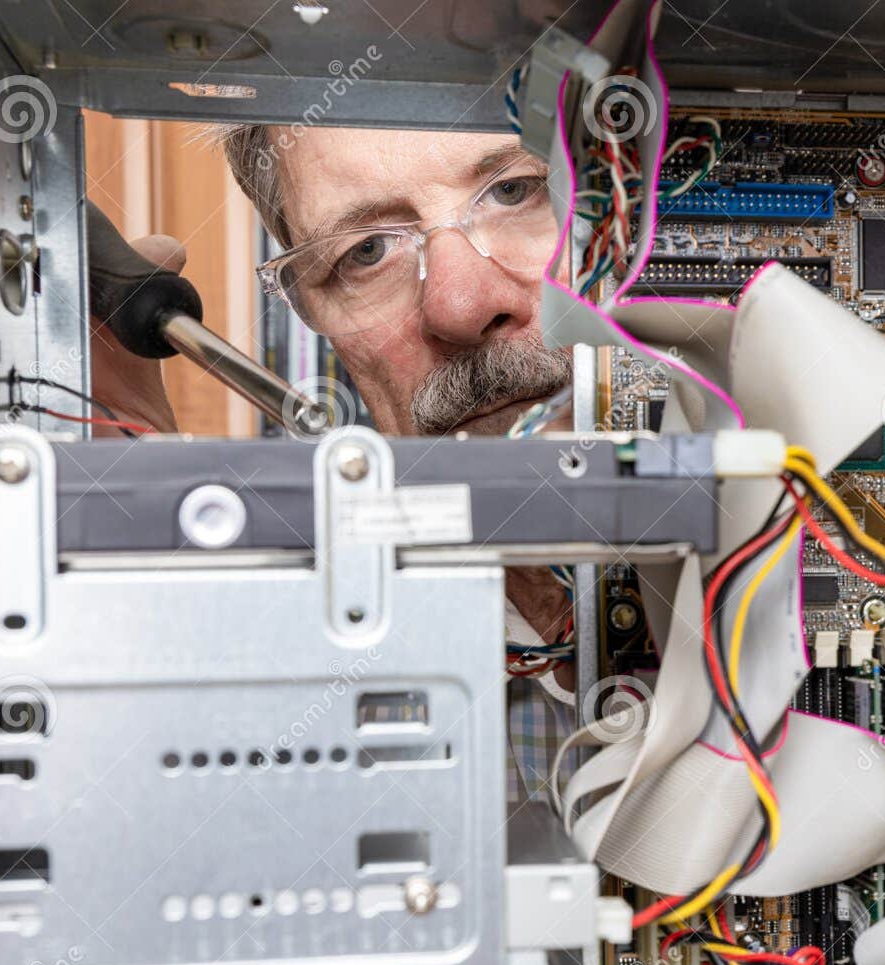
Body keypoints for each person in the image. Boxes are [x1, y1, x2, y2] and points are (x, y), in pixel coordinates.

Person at [89, 125, 581, 794]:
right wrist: (151, 632)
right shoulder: (332, 688)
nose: (461, 305)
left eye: (518, 191)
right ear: (309, 310)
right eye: (367, 251)